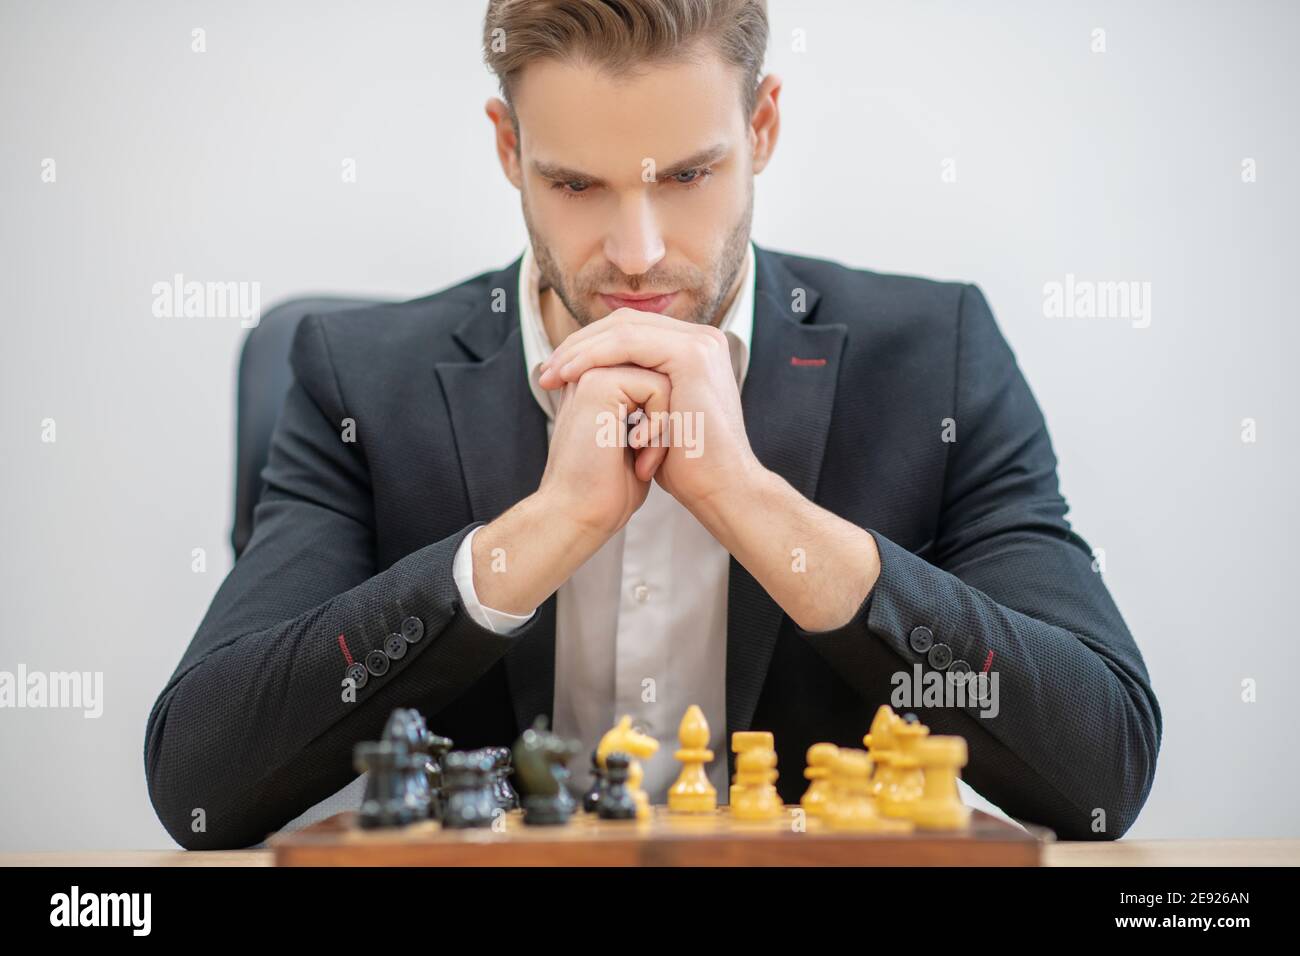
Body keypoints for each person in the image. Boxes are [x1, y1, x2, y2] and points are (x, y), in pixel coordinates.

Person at [145, 0, 1160, 849]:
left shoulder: (933, 356)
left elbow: (1099, 764)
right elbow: (202, 777)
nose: (635, 255)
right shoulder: (355, 378)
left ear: (761, 130)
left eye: (686, 176)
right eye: (576, 183)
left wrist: (753, 503)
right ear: (509, 149)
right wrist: (533, 538)